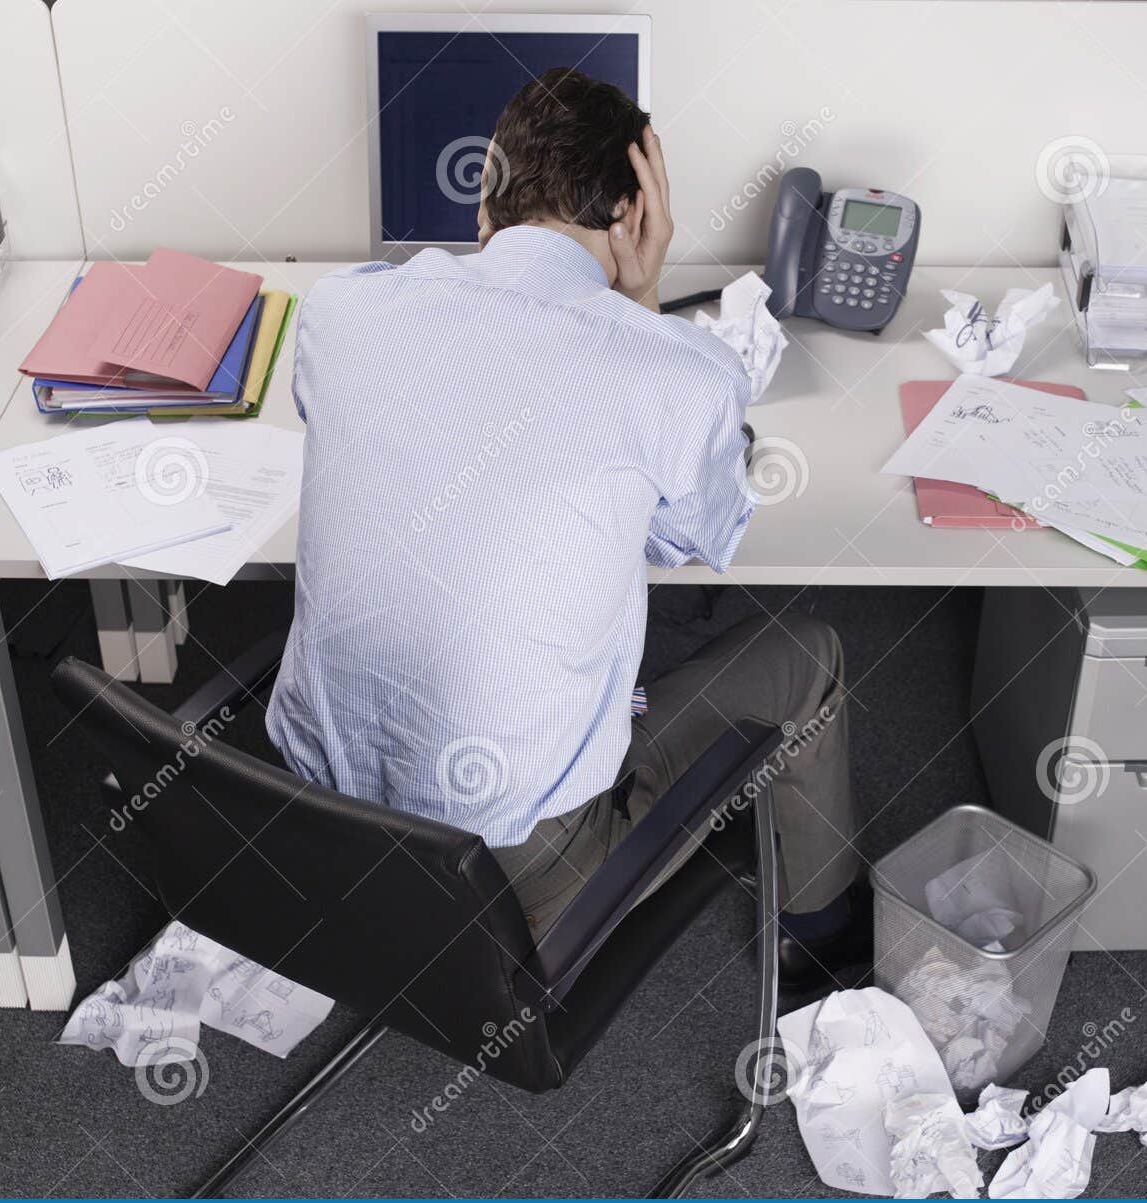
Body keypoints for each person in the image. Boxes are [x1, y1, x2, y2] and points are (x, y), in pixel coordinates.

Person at [266, 69, 867, 984]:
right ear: (632, 219)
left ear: (484, 196)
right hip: (510, 876)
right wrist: (644, 303)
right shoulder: (679, 373)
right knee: (809, 653)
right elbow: (687, 540)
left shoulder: (342, 309)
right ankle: (823, 946)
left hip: (317, 820)